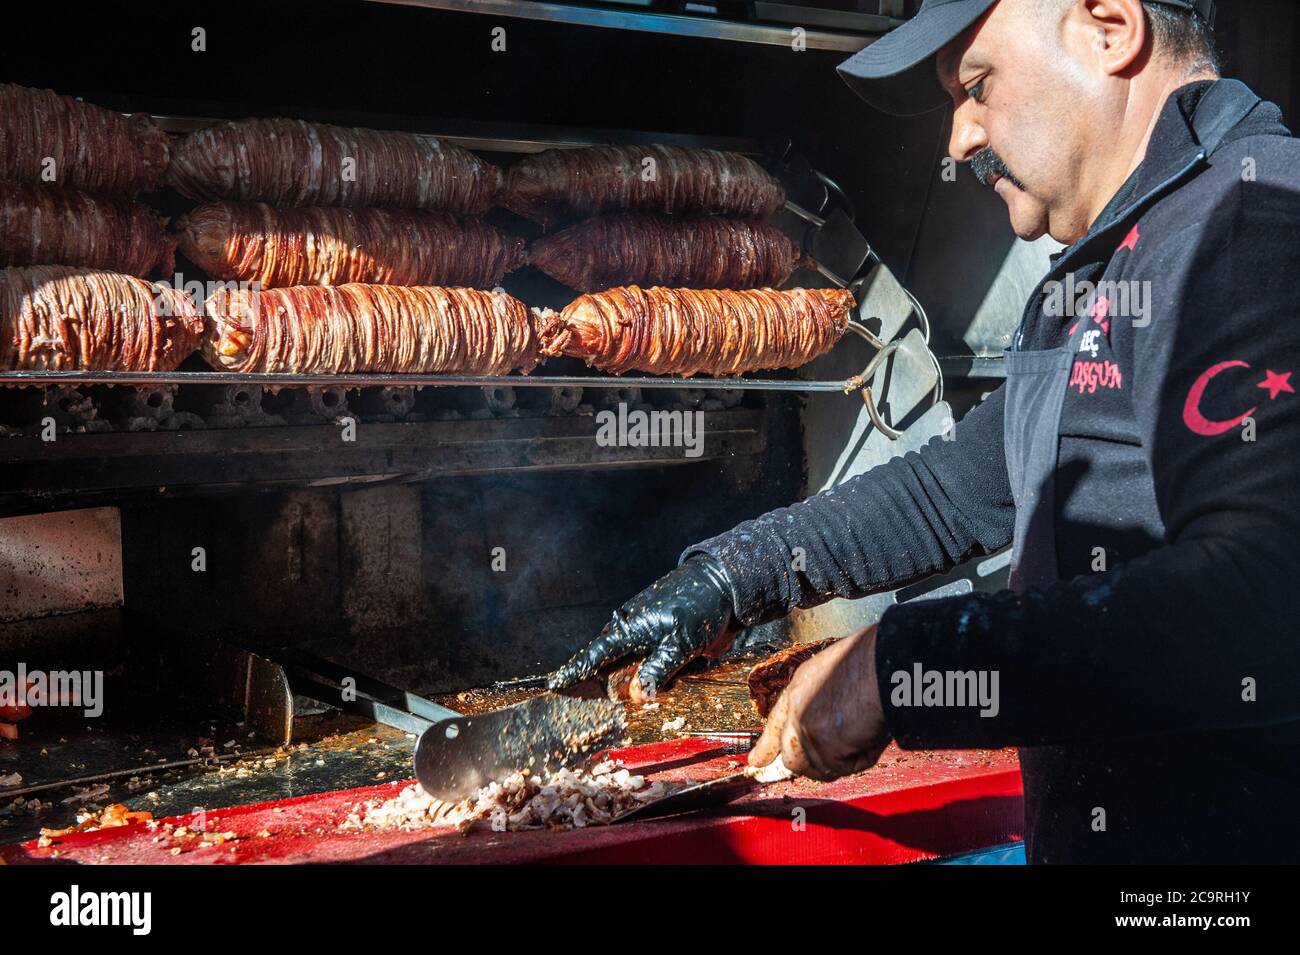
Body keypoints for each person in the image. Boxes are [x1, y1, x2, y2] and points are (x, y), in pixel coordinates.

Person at [552, 0, 1300, 863]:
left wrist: (897, 670)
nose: (959, 139)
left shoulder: (1248, 224)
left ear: (1109, 27)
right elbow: (962, 487)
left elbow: (1265, 597)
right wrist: (733, 574)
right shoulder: (1109, 257)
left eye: (976, 86)